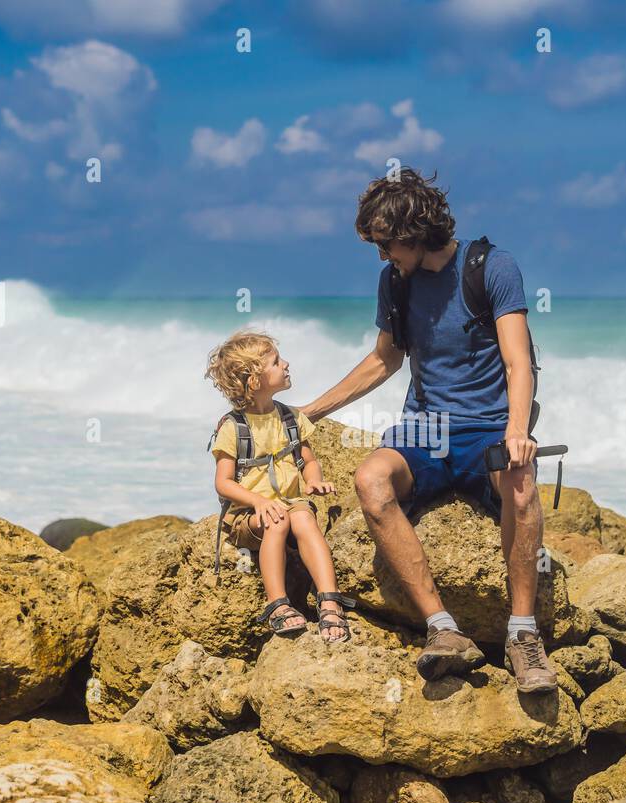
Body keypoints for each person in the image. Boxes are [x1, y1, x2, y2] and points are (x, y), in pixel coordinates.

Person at [299, 169, 558, 692]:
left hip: (488, 428)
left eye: (386, 244)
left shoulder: (492, 267)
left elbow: (518, 363)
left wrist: (515, 432)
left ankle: (523, 635)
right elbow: (383, 360)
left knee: (523, 486)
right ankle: (443, 630)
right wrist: (309, 412)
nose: (382, 256)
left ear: (415, 231)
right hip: (426, 430)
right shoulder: (396, 281)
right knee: (371, 481)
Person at [206, 331, 352, 642]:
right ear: (255, 381)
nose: (286, 364)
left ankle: (329, 598)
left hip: (291, 503)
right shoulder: (233, 427)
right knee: (278, 518)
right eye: (275, 362)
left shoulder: (290, 418)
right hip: (249, 516)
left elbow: (308, 460)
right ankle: (278, 605)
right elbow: (223, 483)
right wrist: (258, 501)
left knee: (302, 516)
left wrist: (314, 481)